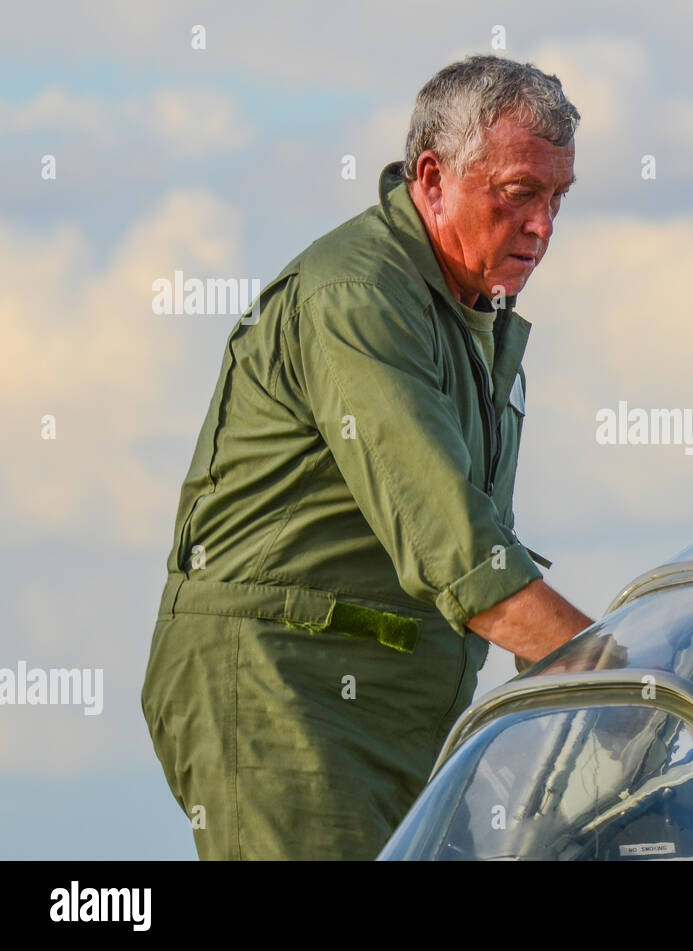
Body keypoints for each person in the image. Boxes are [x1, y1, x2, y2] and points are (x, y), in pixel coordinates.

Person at [140, 54, 592, 860]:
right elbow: (459, 552)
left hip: (396, 711)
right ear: (433, 179)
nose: (544, 226)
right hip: (290, 694)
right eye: (520, 194)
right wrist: (619, 675)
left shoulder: (468, 313)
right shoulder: (358, 299)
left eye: (558, 200)